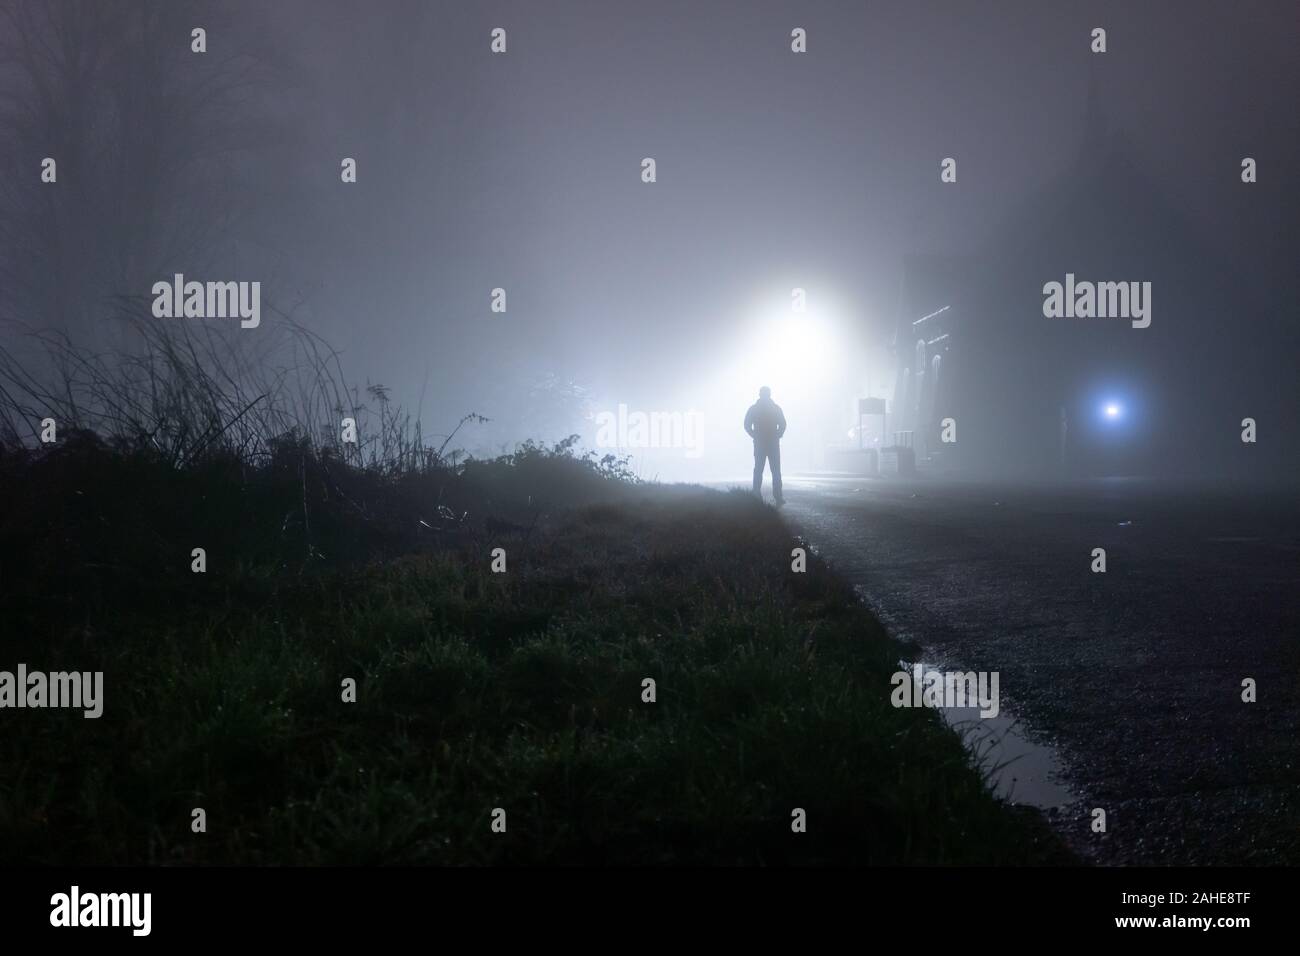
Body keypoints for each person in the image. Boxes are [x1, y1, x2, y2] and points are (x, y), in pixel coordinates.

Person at [744, 386, 786, 505]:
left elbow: (746, 424)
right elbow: (783, 424)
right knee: (775, 471)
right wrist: (778, 435)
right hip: (772, 443)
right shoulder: (776, 408)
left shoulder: (754, 409)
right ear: (769, 394)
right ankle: (778, 496)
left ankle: (756, 494)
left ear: (760, 394)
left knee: (758, 469)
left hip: (760, 444)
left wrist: (754, 435)